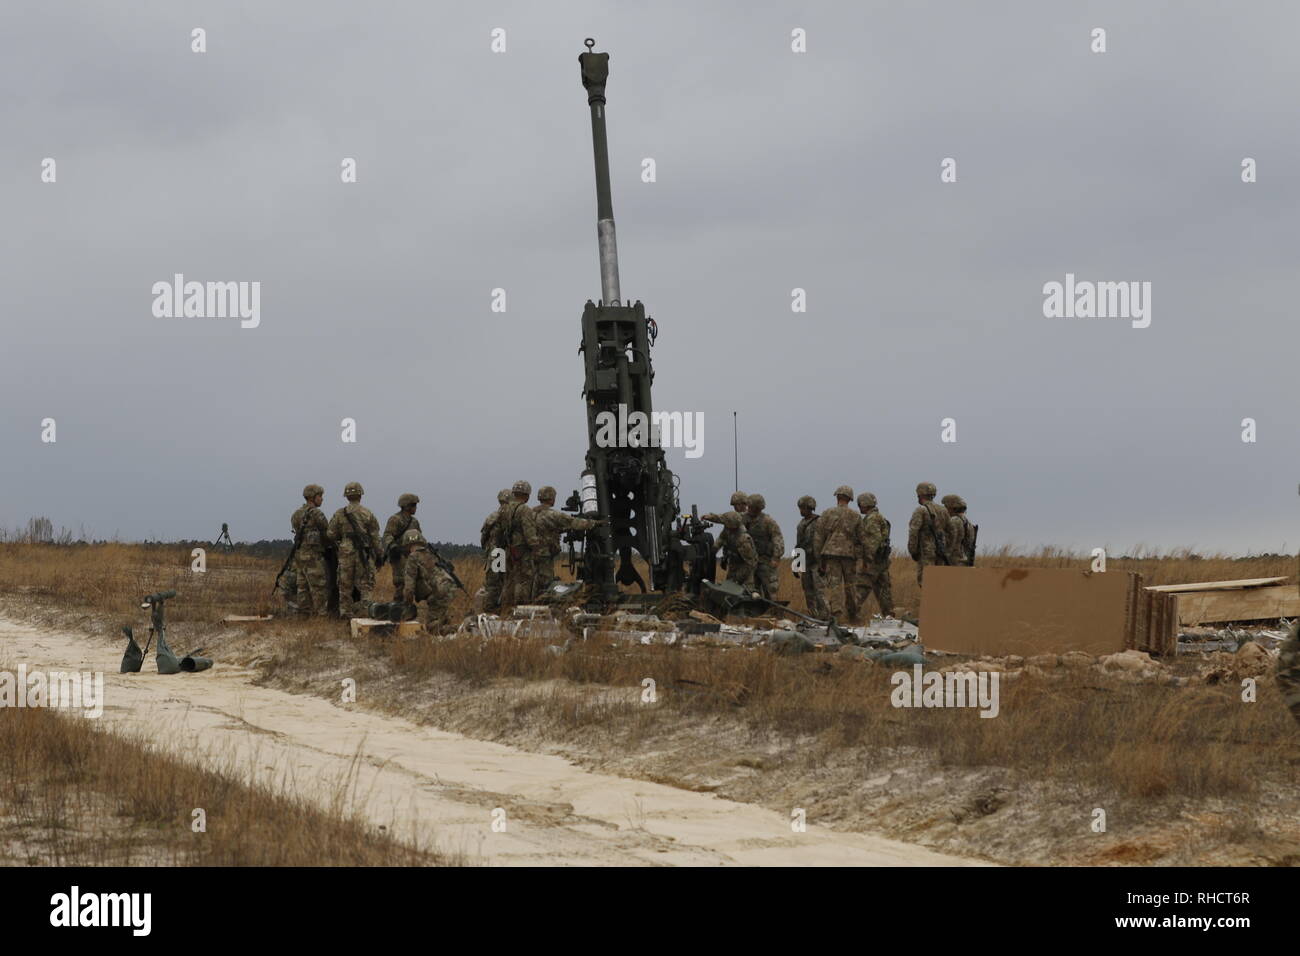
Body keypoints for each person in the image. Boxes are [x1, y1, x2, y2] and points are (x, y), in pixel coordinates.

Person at [327, 481, 383, 617]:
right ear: (361, 495)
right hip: (364, 552)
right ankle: (365, 613)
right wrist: (379, 556)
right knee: (365, 584)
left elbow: (330, 534)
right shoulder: (367, 513)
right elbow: (375, 537)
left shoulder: (340, 513)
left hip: (345, 552)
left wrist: (342, 539)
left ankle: (345, 613)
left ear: (346, 496)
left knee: (345, 585)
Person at [532, 486, 600, 596]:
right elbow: (574, 522)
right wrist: (594, 523)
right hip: (544, 554)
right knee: (545, 583)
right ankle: (541, 603)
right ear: (551, 498)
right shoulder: (552, 515)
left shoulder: (531, 513)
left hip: (530, 554)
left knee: (532, 581)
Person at [814, 485, 865, 621]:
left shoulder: (827, 513)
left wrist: (819, 560)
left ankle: (837, 615)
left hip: (831, 555)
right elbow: (862, 539)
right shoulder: (856, 516)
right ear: (850, 499)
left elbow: (818, 538)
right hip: (850, 555)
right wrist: (860, 557)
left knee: (834, 586)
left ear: (837, 497)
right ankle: (854, 615)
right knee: (851, 585)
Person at [401, 529, 457, 631]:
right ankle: (447, 623)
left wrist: (406, 605)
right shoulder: (432, 553)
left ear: (407, 545)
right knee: (440, 616)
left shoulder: (413, 557)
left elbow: (409, 588)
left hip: (439, 592)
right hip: (449, 586)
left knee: (431, 628)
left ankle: (460, 630)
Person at [497, 480, 542, 606]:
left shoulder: (503, 509)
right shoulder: (525, 510)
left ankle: (505, 608)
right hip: (521, 551)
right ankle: (521, 608)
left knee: (508, 580)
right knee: (524, 580)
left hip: (507, 550)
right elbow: (529, 534)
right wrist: (536, 549)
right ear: (527, 495)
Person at [291, 484, 332, 616]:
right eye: (320, 496)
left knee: (302, 586)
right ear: (312, 497)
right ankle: (321, 615)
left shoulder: (296, 514)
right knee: (319, 586)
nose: (322, 499)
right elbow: (328, 532)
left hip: (299, 556)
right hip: (314, 556)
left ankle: (304, 614)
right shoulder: (317, 514)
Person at [702, 492, 757, 589]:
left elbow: (750, 562)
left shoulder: (749, 517)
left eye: (738, 504)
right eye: (734, 505)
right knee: (729, 588)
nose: (736, 507)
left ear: (744, 504)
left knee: (748, 588)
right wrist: (715, 549)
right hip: (733, 559)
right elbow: (722, 526)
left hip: (747, 557)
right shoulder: (731, 519)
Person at [855, 492, 893, 618]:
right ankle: (889, 618)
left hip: (873, 561)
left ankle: (851, 616)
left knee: (861, 588)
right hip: (881, 561)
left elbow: (873, 541)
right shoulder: (879, 517)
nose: (859, 507)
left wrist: (867, 560)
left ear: (865, 504)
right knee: (883, 591)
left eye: (860, 504)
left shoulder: (871, 519)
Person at [907, 482, 950, 588]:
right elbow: (950, 531)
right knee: (939, 584)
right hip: (941, 553)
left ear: (919, 494)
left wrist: (913, 551)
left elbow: (913, 532)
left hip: (926, 554)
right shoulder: (944, 510)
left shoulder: (920, 510)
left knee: (926, 584)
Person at [745, 494, 784, 600]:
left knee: (770, 590)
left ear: (757, 508)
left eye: (750, 506)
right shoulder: (744, 519)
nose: (748, 509)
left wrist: (776, 557)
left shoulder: (768, 521)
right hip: (751, 562)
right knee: (752, 591)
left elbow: (778, 540)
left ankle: (774, 613)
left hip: (766, 561)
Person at [795, 495, 828, 618]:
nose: (801, 511)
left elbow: (824, 542)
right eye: (800, 508)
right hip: (806, 562)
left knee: (819, 591)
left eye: (803, 508)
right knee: (808, 591)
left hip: (817, 562)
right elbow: (798, 544)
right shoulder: (801, 524)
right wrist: (796, 564)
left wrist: (823, 563)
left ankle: (825, 616)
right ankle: (813, 616)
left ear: (810, 508)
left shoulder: (819, 522)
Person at [382, 493, 422, 597]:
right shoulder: (395, 519)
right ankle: (398, 608)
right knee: (401, 582)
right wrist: (393, 547)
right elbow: (387, 535)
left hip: (412, 556)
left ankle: (408, 607)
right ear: (406, 506)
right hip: (399, 556)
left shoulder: (414, 521)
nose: (415, 507)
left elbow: (420, 537)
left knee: (412, 582)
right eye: (413, 505)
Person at [479, 488, 511, 612]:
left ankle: (490, 609)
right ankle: (496, 609)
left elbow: (484, 536)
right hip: (505, 554)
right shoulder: (511, 515)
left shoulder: (493, 516)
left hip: (495, 553)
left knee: (493, 584)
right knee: (503, 583)